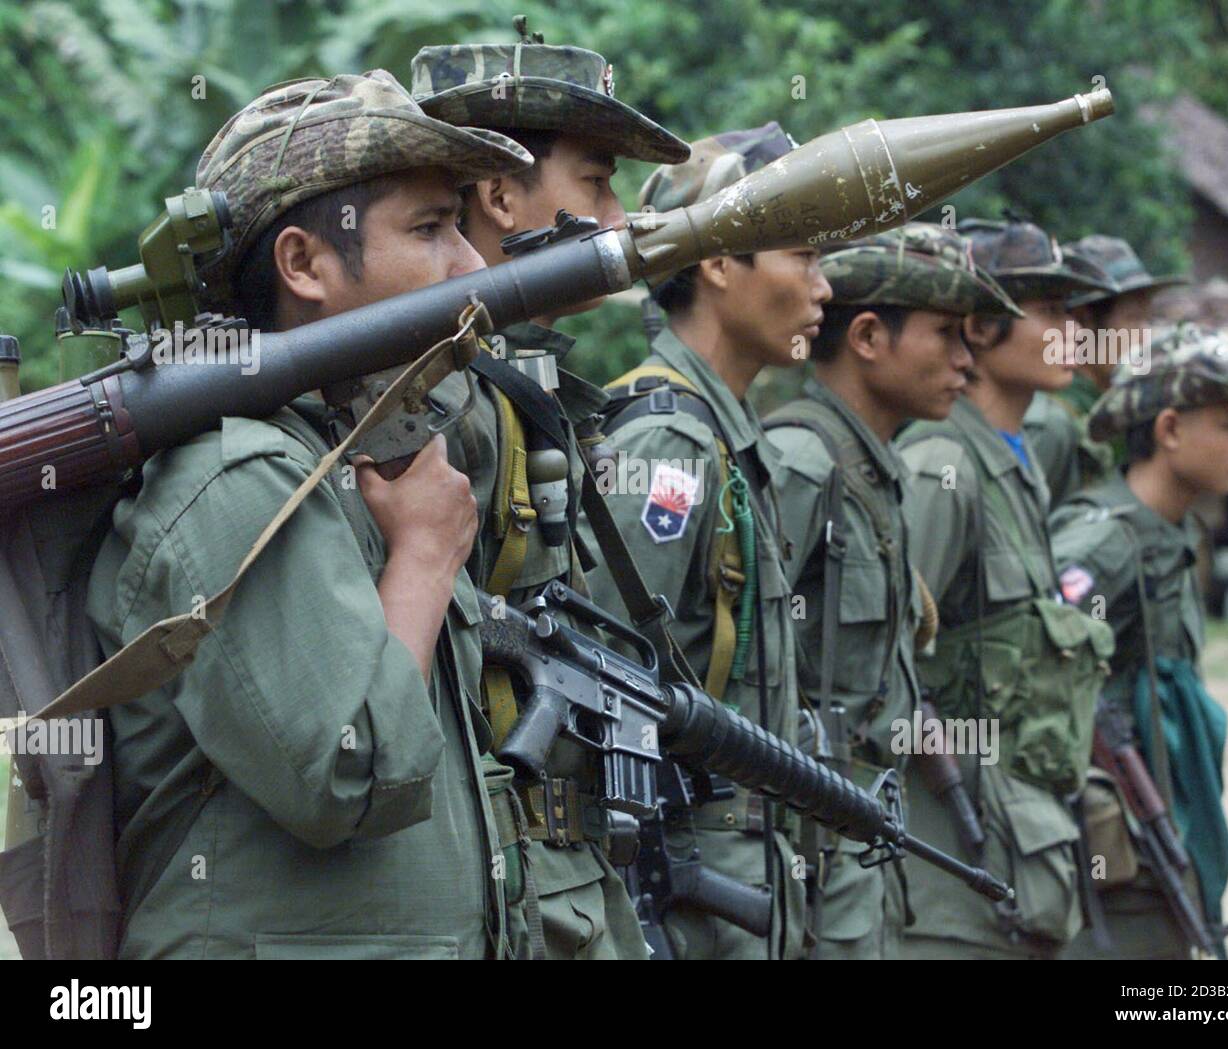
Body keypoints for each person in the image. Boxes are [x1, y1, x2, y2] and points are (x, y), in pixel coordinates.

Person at [86, 71, 536, 959]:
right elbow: (346, 770)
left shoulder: (339, 463)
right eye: (430, 227)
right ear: (303, 265)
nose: (471, 264)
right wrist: (424, 556)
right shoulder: (236, 478)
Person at [410, 18, 690, 960]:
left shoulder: (504, 374)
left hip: (543, 869)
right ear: (498, 191)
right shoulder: (444, 391)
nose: (616, 218)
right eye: (597, 182)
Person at [581, 122, 831, 960]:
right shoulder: (669, 444)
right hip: (680, 882)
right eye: (803, 256)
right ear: (721, 264)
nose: (824, 287)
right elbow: (601, 678)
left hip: (736, 872)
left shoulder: (724, 436)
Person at [763, 223, 1021, 958]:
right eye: (947, 335)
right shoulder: (803, 462)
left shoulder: (878, 474)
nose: (967, 362)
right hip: (807, 848)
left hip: (864, 843)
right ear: (870, 337)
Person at [895, 217, 1115, 959]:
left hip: (1016, 848)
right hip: (948, 861)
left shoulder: (1015, 462)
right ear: (983, 327)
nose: (1073, 332)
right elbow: (888, 665)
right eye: (1050, 312)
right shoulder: (940, 463)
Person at [1051, 323, 1228, 959]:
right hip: (1111, 865)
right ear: (1169, 431)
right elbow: (1030, 686)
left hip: (1160, 845)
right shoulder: (1103, 544)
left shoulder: (1170, 535)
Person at [1025, 235, 1186, 505]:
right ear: (1084, 323)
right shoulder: (1051, 425)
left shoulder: (1120, 414)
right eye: (1133, 319)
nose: (1146, 336)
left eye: (1148, 320)